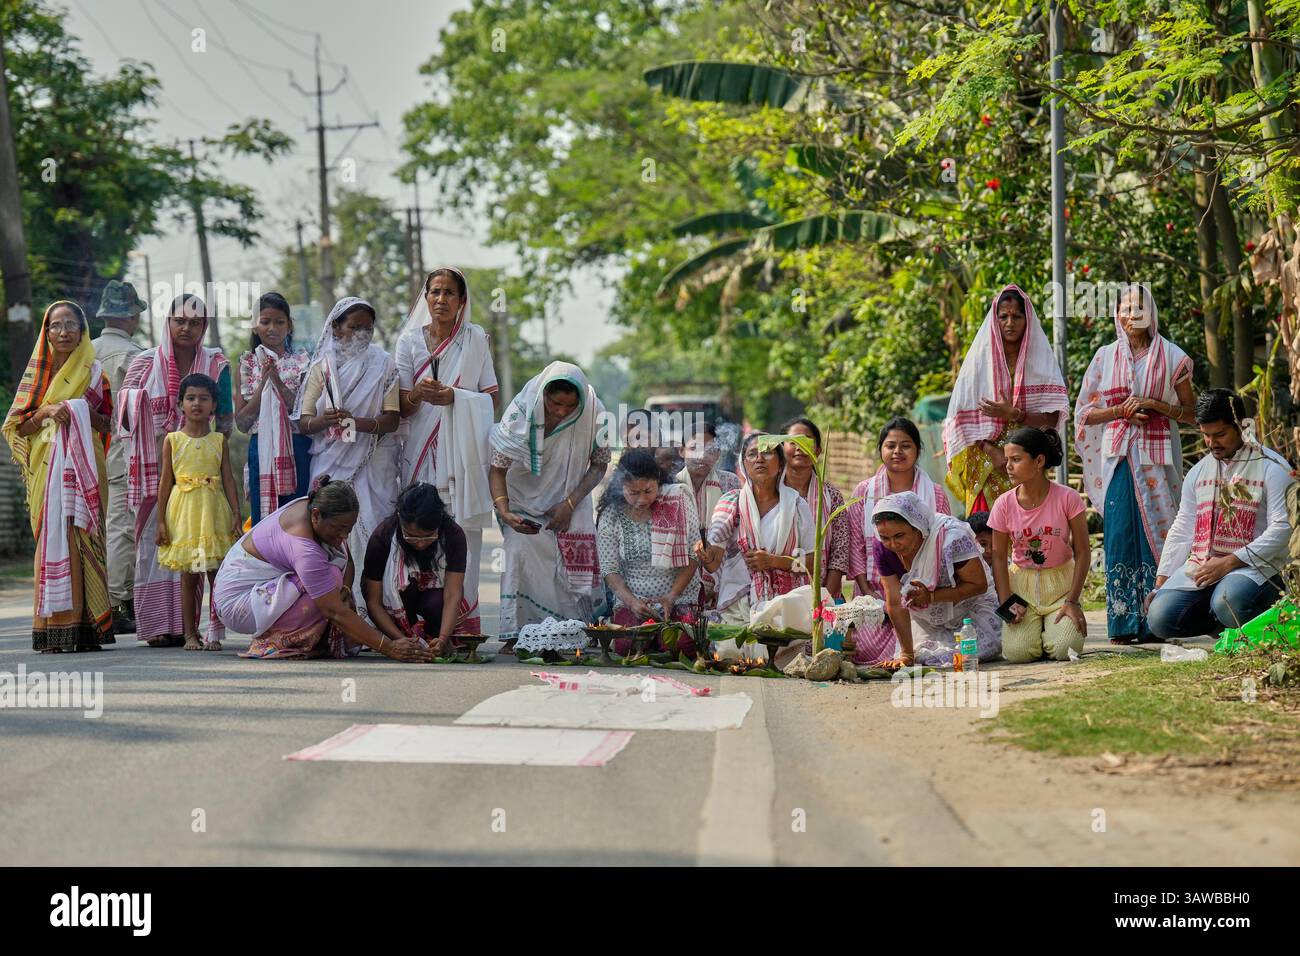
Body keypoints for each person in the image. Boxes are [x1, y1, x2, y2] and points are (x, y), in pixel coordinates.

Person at [1074, 283, 1195, 645]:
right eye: (1125, 308)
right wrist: (1121, 410)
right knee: (1121, 535)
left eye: (1138, 308)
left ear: (1151, 314)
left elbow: (1190, 413)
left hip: (1158, 461)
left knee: (1157, 535)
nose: (1131, 315)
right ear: (1116, 314)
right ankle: (1124, 623)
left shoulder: (1174, 357)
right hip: (1119, 460)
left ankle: (1159, 619)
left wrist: (1155, 405)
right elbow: (1084, 414)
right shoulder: (1104, 357)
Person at [116, 294, 232, 648]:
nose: (186, 327)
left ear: (204, 327)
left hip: (201, 473)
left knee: (200, 552)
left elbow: (225, 420)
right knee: (158, 547)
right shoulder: (143, 363)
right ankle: (157, 627)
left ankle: (193, 629)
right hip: (154, 468)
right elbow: (122, 421)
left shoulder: (217, 364)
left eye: (195, 322)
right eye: (180, 320)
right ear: (168, 322)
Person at [214, 479, 433, 661]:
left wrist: (346, 589)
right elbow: (334, 611)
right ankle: (276, 641)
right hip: (238, 606)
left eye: (349, 529)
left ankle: (306, 637)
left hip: (254, 595)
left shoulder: (315, 510)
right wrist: (390, 647)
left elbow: (347, 561)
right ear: (317, 515)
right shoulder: (304, 546)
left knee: (334, 581)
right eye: (339, 529)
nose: (344, 536)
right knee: (330, 579)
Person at [3, 301, 114, 652]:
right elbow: (18, 425)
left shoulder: (95, 373)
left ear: (82, 332)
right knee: (52, 537)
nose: (63, 332)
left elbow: (109, 424)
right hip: (46, 465)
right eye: (55, 325)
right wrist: (49, 411)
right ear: (46, 332)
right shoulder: (37, 376)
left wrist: (79, 411)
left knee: (81, 535)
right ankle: (52, 628)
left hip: (85, 465)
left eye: (70, 325)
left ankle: (87, 627)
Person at [396, 267, 497, 635]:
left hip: (462, 454)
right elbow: (401, 407)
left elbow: (491, 398)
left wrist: (456, 397)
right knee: (420, 533)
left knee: (461, 534)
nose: (441, 300)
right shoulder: (407, 342)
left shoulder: (475, 340)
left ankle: (461, 626)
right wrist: (419, 394)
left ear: (462, 301)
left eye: (449, 293)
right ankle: (422, 622)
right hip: (419, 455)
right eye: (435, 292)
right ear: (426, 298)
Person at [1146, 390, 1296, 639]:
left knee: (1229, 600)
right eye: (1206, 435)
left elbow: (1282, 529)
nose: (1212, 443)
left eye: (1220, 434)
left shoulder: (1272, 467)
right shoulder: (1198, 473)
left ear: (1242, 426)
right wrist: (1161, 583)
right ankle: (1222, 623)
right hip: (1206, 567)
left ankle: (1246, 614)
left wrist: (1228, 562)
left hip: (1259, 568)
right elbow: (1183, 527)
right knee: (1159, 617)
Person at [489, 361, 609, 646]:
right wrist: (504, 511)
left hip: (571, 499)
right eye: (555, 404)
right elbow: (497, 467)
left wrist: (569, 503)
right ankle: (517, 635)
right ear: (543, 395)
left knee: (568, 568)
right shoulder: (522, 408)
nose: (561, 412)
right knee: (518, 555)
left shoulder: (596, 412)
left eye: (570, 406)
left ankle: (574, 632)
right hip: (519, 501)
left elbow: (599, 465)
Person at [297, 296, 401, 610]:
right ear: (336, 328)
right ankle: (329, 612)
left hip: (371, 466)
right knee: (328, 537)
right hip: (330, 463)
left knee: (373, 534)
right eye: (354, 327)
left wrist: (356, 424)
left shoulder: (384, 364)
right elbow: (303, 423)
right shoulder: (321, 367)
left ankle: (375, 612)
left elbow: (392, 419)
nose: (361, 335)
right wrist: (323, 421)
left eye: (367, 329)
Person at [944, 284, 1069, 514]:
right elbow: (961, 421)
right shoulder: (979, 364)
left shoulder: (1041, 363)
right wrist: (992, 451)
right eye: (1003, 316)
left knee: (1029, 532)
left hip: (1029, 462)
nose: (1009, 323)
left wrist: (1014, 414)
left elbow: (1050, 421)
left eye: (1016, 316)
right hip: (986, 462)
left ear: (1027, 319)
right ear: (995, 320)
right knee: (986, 537)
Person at [847, 418, 952, 664]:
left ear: (917, 451)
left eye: (905, 446)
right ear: (881, 450)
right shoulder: (864, 492)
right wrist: (868, 594)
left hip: (923, 594)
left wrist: (925, 593)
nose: (897, 452)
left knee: (927, 648)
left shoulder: (934, 493)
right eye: (890, 445)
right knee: (863, 649)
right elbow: (855, 547)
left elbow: (943, 543)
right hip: (872, 594)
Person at [155, 373, 242, 651]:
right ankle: (190, 634)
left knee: (217, 572)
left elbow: (228, 478)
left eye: (204, 399)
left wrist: (236, 513)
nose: (197, 404)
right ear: (181, 403)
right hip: (184, 514)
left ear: (214, 405)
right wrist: (160, 522)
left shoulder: (219, 440)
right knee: (190, 576)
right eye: (190, 398)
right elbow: (165, 481)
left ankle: (215, 631)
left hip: (214, 512)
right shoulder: (173, 440)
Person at [988, 427, 1090, 663]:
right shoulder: (1003, 504)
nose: (1008, 466)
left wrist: (1072, 601)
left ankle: (1053, 633)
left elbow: (1083, 551)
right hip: (1021, 589)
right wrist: (1007, 601)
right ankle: (1039, 635)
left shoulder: (1067, 498)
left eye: (1016, 459)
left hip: (1061, 589)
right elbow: (999, 557)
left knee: (1066, 649)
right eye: (1007, 460)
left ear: (1039, 461)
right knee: (1017, 654)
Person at [696, 432, 815, 624]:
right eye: (752, 454)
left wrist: (773, 561)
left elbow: (812, 563)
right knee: (731, 654)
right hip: (737, 605)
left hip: (785, 608)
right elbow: (714, 562)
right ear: (744, 464)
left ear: (780, 463)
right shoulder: (731, 503)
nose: (759, 459)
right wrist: (706, 554)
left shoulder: (796, 506)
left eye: (767, 452)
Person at [871, 491, 1000, 665]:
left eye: (899, 536)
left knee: (975, 650)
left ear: (917, 528)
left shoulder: (951, 538)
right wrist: (907, 655)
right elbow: (894, 602)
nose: (893, 545)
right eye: (885, 538)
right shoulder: (882, 549)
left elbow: (978, 585)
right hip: (927, 619)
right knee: (922, 657)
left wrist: (932, 597)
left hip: (971, 610)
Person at [596, 449, 701, 656]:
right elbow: (610, 570)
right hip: (634, 599)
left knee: (679, 647)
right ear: (621, 487)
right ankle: (652, 637)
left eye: (648, 490)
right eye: (633, 493)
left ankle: (660, 638)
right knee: (627, 646)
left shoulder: (677, 501)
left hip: (678, 597)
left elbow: (694, 554)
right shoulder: (611, 515)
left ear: (658, 482)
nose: (642, 499)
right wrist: (631, 602)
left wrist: (672, 596)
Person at [92, 280, 146, 634]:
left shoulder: (86, 350)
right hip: (123, 448)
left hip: (86, 449)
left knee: (94, 524)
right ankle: (115, 602)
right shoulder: (135, 355)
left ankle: (98, 600)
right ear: (131, 316)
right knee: (122, 525)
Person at [362, 482, 469, 655]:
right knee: (406, 589)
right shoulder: (382, 536)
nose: (420, 543)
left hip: (433, 607)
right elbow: (373, 601)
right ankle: (406, 637)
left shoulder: (453, 534)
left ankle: (435, 640)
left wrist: (442, 638)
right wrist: (398, 642)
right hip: (395, 613)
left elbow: (453, 594)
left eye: (428, 536)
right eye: (411, 536)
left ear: (439, 523)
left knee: (436, 602)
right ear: (400, 520)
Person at [234, 291, 312, 525]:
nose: (272, 328)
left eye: (279, 322)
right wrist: (264, 385)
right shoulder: (247, 363)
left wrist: (278, 382)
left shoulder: (302, 362)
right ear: (254, 326)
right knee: (265, 519)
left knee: (298, 514)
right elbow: (242, 422)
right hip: (261, 447)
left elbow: (303, 413)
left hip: (296, 446)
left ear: (289, 325)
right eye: (265, 322)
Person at [780, 417, 850, 600]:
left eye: (807, 440)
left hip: (823, 593)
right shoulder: (769, 492)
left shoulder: (831, 495)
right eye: (793, 441)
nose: (799, 446)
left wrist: (826, 597)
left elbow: (840, 551)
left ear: (818, 451)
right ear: (781, 448)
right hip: (777, 595)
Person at [677, 417, 742, 612]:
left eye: (710, 450)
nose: (702, 456)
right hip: (679, 570)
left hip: (721, 567)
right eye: (694, 448)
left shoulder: (729, 482)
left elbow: (736, 531)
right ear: (681, 451)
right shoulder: (671, 484)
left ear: (718, 454)